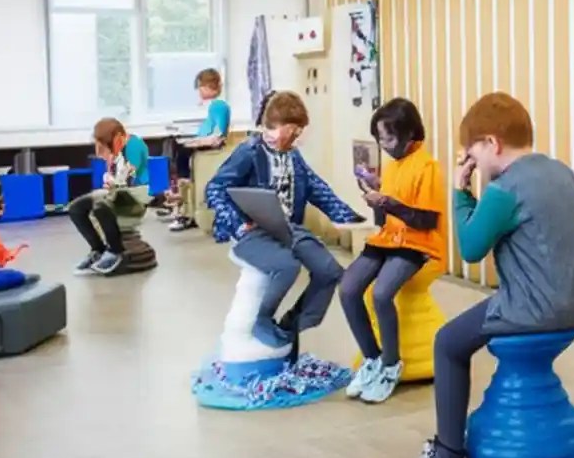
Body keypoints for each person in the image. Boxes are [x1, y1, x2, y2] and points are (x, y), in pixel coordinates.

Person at [419, 92, 574, 458]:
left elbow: (471, 248)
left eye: (473, 155)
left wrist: (460, 191)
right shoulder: (563, 173)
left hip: (533, 309)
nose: (472, 164)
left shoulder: (504, 190)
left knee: (448, 343)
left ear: (493, 143)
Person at [204, 90, 362, 359]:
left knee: (330, 271)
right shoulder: (249, 152)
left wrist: (347, 216)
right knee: (287, 265)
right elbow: (214, 189)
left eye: (297, 132)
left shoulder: (293, 155)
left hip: (287, 228)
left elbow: (316, 188)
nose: (294, 137)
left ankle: (293, 324)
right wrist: (239, 224)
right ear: (277, 127)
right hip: (252, 231)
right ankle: (262, 319)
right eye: (291, 131)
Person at [340, 98, 446, 404]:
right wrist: (374, 193)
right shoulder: (392, 166)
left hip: (418, 242)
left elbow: (426, 220)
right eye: (379, 139)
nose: (383, 146)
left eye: (387, 139)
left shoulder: (427, 166)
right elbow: (385, 219)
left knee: (382, 294)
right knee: (348, 289)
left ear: (408, 134)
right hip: (389, 239)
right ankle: (372, 359)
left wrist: (388, 202)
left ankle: (390, 365)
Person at [69, 118, 151, 275]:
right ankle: (97, 250)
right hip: (117, 192)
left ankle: (115, 251)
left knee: (101, 206)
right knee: (76, 208)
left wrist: (113, 181)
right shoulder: (115, 152)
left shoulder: (134, 145)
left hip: (137, 194)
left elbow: (128, 178)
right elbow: (114, 178)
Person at [164, 68, 232, 232]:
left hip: (212, 143)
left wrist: (196, 142)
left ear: (209, 87)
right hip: (205, 140)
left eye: (201, 87)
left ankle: (183, 203)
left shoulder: (218, 106)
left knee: (180, 152)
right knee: (175, 147)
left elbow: (218, 134)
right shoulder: (212, 106)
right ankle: (181, 198)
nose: (199, 91)